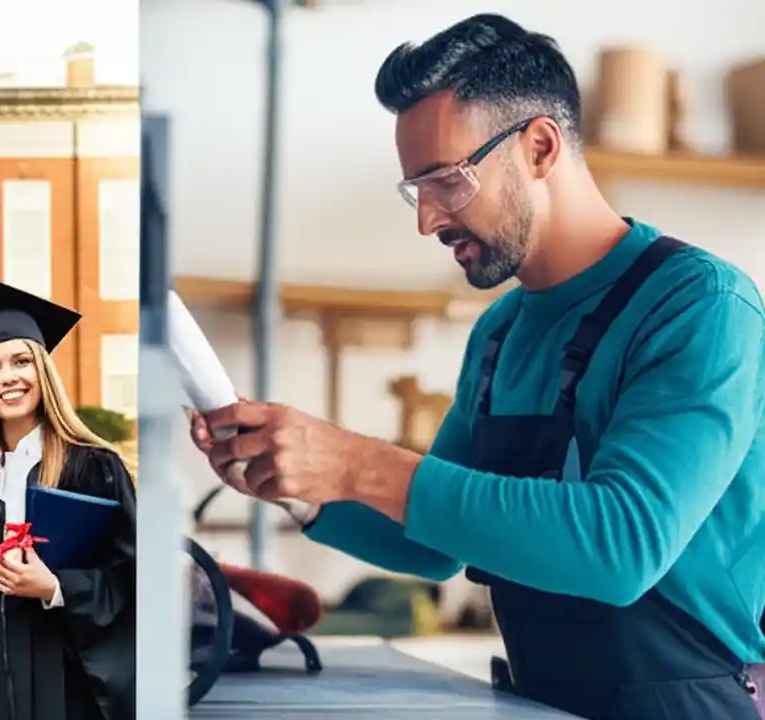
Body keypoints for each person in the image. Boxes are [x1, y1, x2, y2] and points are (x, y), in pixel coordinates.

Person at [188, 13, 765, 720]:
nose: (427, 220)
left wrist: (354, 462)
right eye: (417, 190)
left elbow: (622, 546)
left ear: (540, 147)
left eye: (446, 182)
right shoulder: (502, 329)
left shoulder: (701, 306)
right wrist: (298, 483)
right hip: (542, 702)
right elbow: (435, 548)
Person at [0, 280, 136, 720]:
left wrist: (56, 588)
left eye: (21, 361)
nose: (8, 377)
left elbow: (132, 578)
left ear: (43, 371)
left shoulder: (94, 468)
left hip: (66, 691)